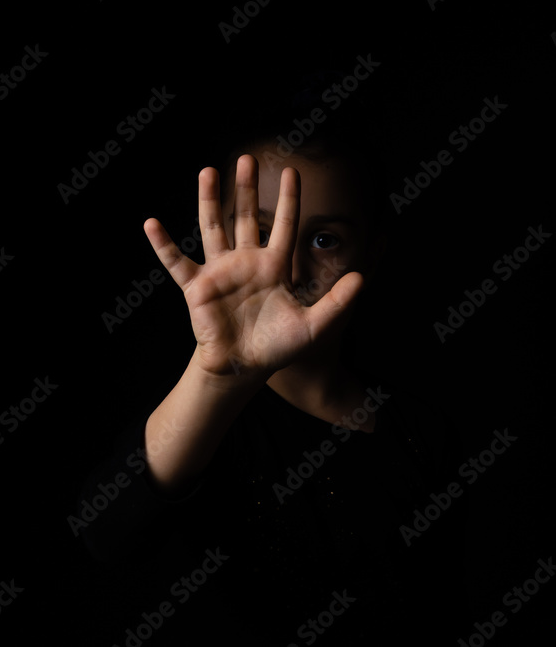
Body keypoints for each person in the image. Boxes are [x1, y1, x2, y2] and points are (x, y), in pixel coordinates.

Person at [76, 100, 468, 645]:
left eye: (325, 240)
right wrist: (218, 374)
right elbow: (106, 533)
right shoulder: (206, 422)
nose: (287, 268)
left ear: (372, 253)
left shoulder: (422, 431)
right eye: (261, 234)